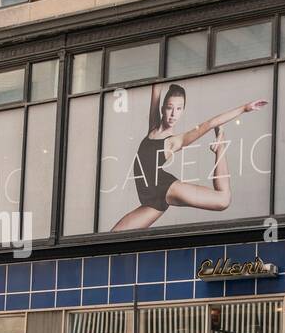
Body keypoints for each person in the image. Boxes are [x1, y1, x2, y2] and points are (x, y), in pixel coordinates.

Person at [112, 84, 268, 231]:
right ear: (162, 108)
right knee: (115, 236)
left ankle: (220, 144)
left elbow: (210, 123)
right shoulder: (153, 127)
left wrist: (244, 108)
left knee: (223, 200)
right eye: (170, 108)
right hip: (151, 202)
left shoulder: (175, 141)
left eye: (179, 109)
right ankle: (220, 135)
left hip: (165, 189)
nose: (173, 114)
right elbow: (156, 86)